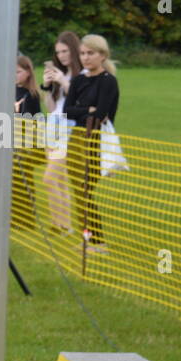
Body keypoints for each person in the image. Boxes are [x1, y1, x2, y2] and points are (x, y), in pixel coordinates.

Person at [64, 34, 120, 254]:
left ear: (102, 55)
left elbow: (102, 113)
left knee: (86, 189)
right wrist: (87, 110)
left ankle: (99, 241)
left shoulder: (108, 81)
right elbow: (68, 111)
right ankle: (87, 238)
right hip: (76, 137)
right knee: (78, 190)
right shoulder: (78, 80)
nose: (86, 58)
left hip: (95, 140)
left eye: (91, 53)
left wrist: (88, 111)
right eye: (83, 54)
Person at [39, 31, 82, 233]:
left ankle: (62, 224)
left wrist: (64, 82)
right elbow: (51, 107)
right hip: (53, 128)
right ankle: (62, 224)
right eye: (59, 52)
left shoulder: (82, 74)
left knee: (48, 178)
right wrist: (48, 86)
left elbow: (81, 100)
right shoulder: (60, 73)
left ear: (74, 49)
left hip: (70, 131)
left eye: (65, 51)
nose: (62, 56)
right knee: (60, 180)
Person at [11, 55, 42, 231]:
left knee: (24, 179)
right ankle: (16, 216)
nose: (14, 75)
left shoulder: (31, 95)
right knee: (14, 180)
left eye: (18, 72)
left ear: (28, 72)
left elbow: (33, 121)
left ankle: (27, 219)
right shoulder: (13, 90)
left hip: (27, 143)